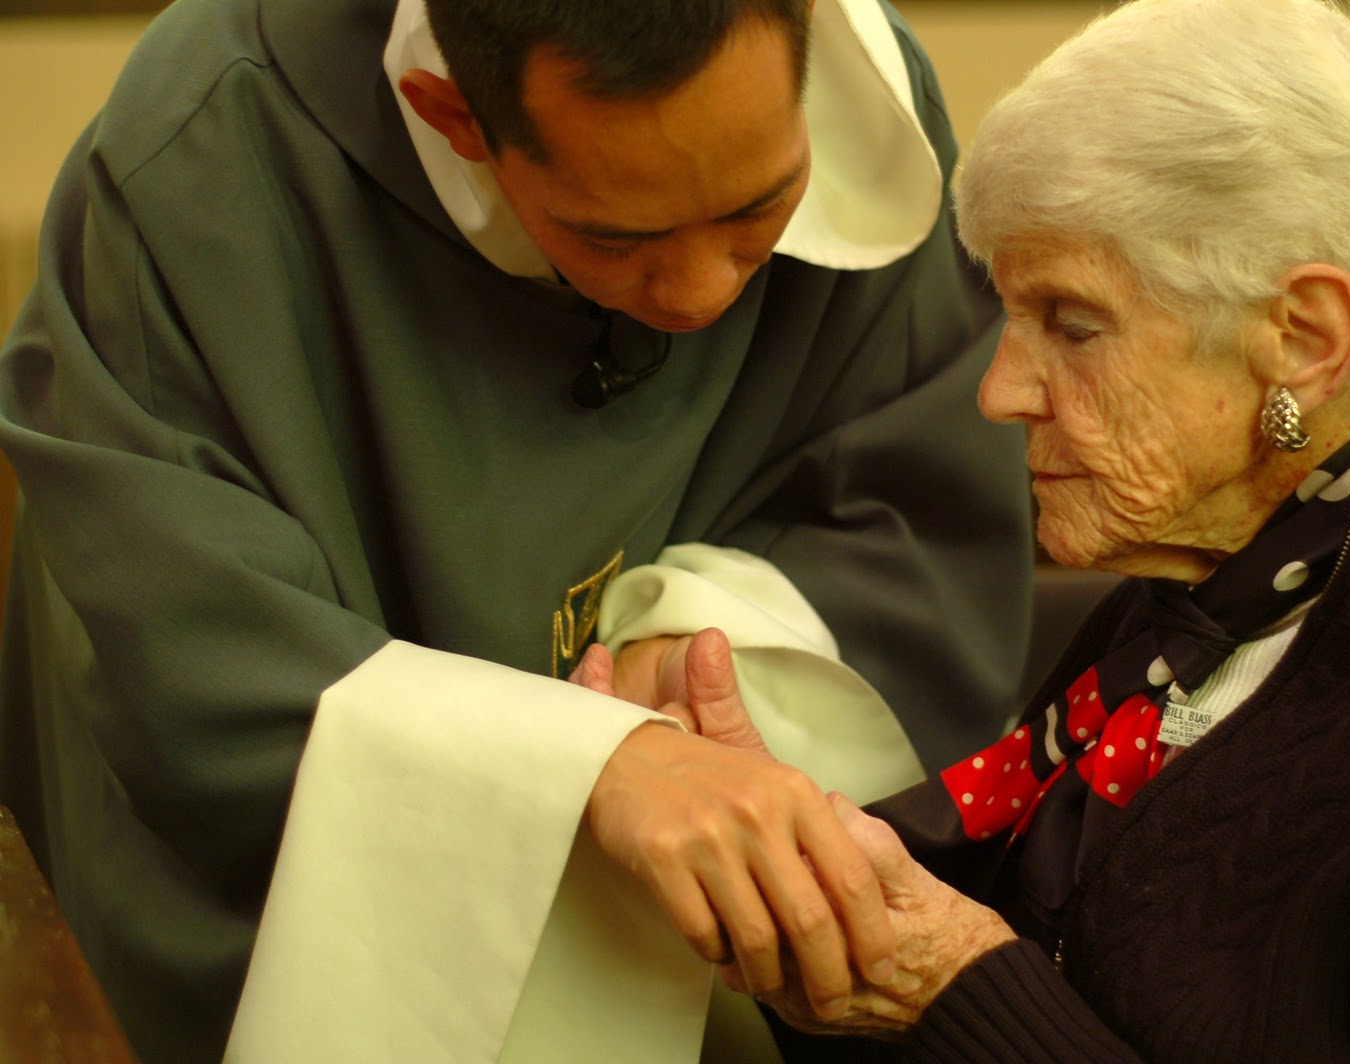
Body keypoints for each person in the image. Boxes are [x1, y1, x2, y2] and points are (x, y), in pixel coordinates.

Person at [0, 0, 1034, 1060]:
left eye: (761, 207)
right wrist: (586, 769)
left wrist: (708, 639)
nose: (698, 296)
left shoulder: (855, 82)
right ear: (448, 113)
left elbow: (913, 501)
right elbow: (181, 629)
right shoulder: (203, 149)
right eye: (615, 237)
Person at [633, 0, 1350, 1059]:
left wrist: (949, 984)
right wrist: (804, 889)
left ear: (1301, 338)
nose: (999, 392)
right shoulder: (1206, 599)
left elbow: (987, 993)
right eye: (1009, 316)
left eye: (1073, 324)